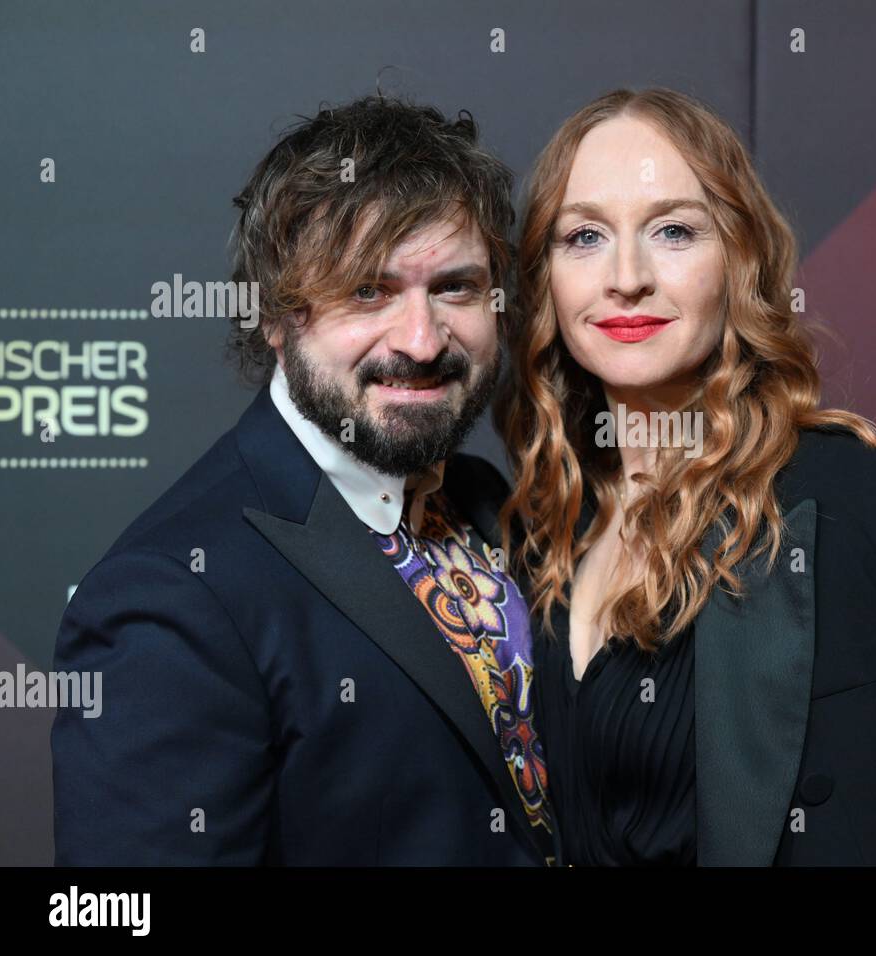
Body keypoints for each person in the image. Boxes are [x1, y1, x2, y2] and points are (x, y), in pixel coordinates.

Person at [495, 87, 876, 866]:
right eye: (583, 236)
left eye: (675, 231)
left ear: (741, 260)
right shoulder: (527, 540)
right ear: (545, 275)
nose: (626, 276)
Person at [51, 95, 553, 865]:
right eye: (366, 291)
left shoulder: (487, 498)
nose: (420, 341)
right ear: (278, 319)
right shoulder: (171, 596)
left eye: (453, 287)